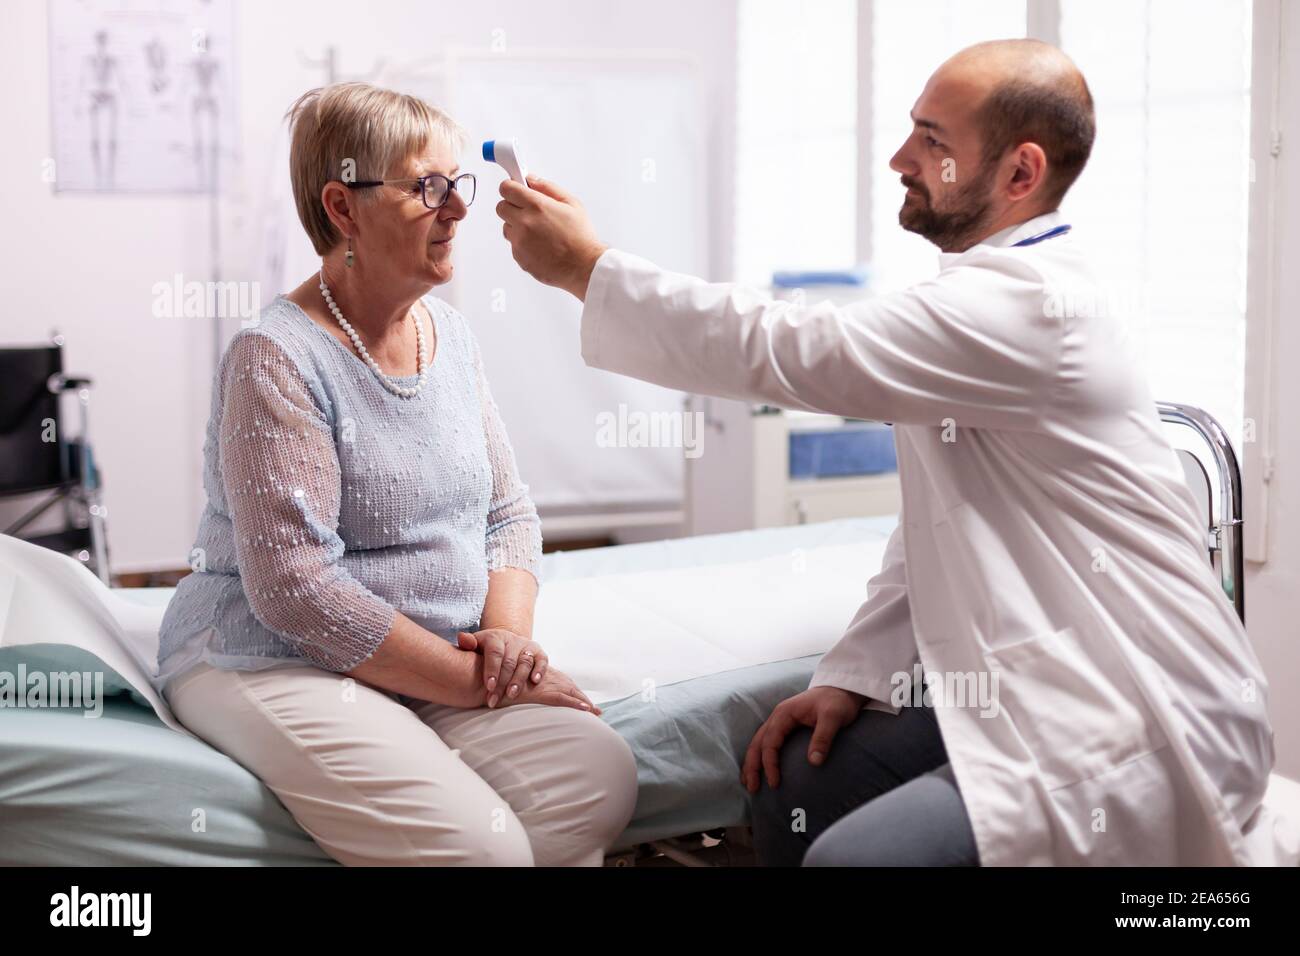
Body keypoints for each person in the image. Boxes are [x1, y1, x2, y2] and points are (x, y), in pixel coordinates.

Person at [493, 39, 1278, 865]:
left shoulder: (1036, 307)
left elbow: (794, 344)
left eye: (933, 142)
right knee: (791, 779)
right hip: (1028, 690)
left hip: (1135, 711)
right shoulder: (984, 296)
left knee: (851, 859)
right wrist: (851, 672)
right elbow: (938, 530)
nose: (901, 158)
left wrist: (588, 268)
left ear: (1020, 174)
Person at [156, 82, 637, 866]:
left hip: (434, 661)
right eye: (428, 188)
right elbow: (295, 590)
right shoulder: (275, 357)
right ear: (342, 208)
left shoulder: (448, 333)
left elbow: (508, 514)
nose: (457, 210)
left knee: (598, 774)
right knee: (484, 853)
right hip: (272, 654)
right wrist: (474, 683)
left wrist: (507, 648)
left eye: (458, 184)